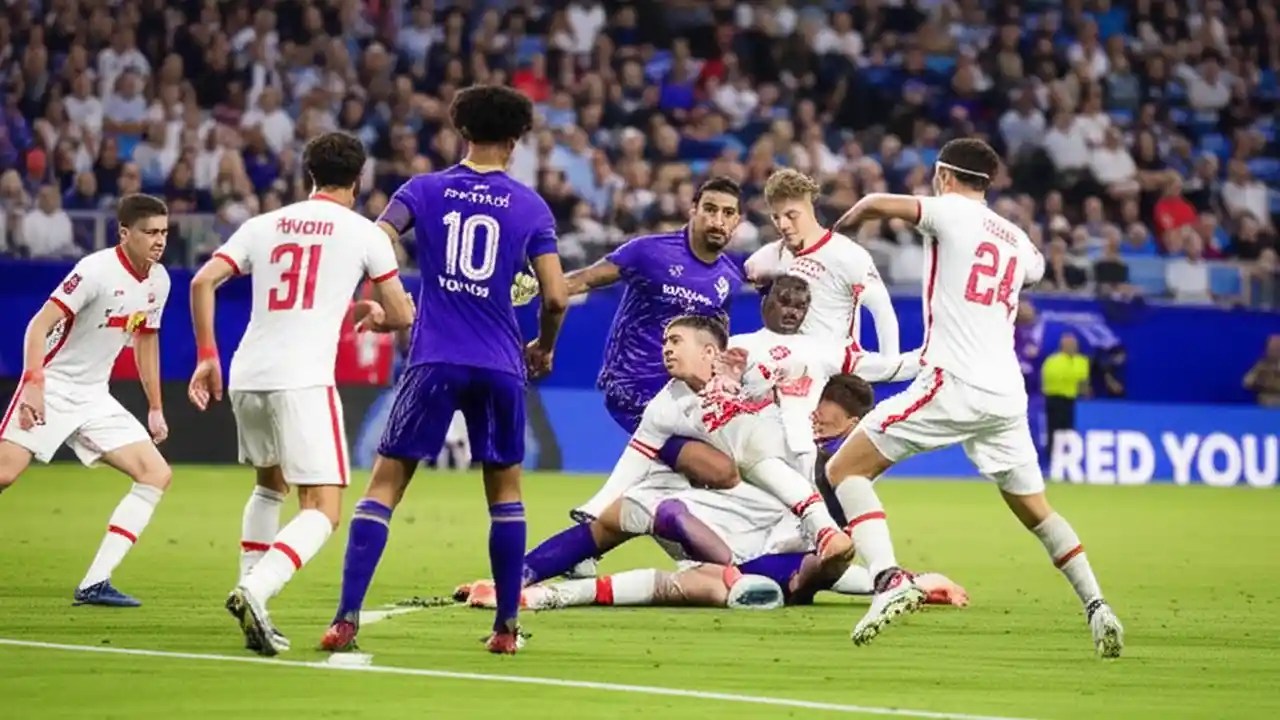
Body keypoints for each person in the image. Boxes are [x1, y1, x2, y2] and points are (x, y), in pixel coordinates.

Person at [826, 138, 1124, 657]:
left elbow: (874, 203)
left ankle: (889, 579)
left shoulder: (946, 212)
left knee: (843, 471)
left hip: (953, 383)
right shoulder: (1016, 238)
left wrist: (832, 238)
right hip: (1007, 395)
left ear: (944, 174)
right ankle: (1098, 605)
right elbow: (1030, 268)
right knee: (1037, 510)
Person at [320, 85, 570, 656]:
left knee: (384, 488)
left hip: (433, 356)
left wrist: (388, 304)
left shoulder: (422, 190)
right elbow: (555, 296)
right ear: (515, 139)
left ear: (463, 132)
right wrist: (545, 347)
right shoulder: (531, 206)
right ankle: (506, 629)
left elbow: (374, 239)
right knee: (505, 494)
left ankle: (345, 619)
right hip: (500, 361)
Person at [462, 376, 969, 612]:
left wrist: (915, 582)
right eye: (814, 415)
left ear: (851, 426)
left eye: (827, 423)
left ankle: (540, 595)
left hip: (766, 560)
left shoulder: (839, 472)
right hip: (725, 529)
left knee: (716, 577)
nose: (815, 426)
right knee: (631, 516)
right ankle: (517, 578)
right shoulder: (765, 422)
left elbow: (830, 565)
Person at [188, 131, 415, 656]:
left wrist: (206, 356)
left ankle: (252, 594)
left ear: (307, 174)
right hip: (303, 378)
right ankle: (255, 589)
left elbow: (202, 281)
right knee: (323, 509)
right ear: (359, 181)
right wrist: (379, 317)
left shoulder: (262, 224)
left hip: (248, 371)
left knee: (270, 487)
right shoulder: (364, 234)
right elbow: (402, 313)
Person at [507, 315, 856, 591]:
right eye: (665, 342)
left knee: (819, 568)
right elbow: (636, 456)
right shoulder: (666, 405)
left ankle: (865, 562)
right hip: (734, 504)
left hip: (786, 499)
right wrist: (595, 505)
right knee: (780, 577)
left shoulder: (747, 365)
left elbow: (795, 366)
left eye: (675, 341)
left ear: (708, 353)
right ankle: (516, 579)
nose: (667, 349)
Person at [516, 176, 748, 578]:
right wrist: (544, 294)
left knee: (674, 483)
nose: (718, 220)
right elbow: (585, 279)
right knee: (717, 471)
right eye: (710, 209)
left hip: (684, 399)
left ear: (738, 221)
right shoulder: (649, 252)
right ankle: (704, 553)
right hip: (633, 389)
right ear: (693, 209)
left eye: (728, 213)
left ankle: (578, 549)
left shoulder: (729, 277)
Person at [0, 194, 173, 607]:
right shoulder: (94, 271)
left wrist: (155, 406)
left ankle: (95, 583)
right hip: (53, 385)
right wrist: (35, 383)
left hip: (95, 396)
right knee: (4, 475)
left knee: (156, 473)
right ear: (125, 233)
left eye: (164, 232)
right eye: (150, 232)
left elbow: (146, 341)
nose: (159, 240)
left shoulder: (159, 281)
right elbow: (38, 327)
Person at [744, 168, 900, 353]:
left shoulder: (847, 254)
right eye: (776, 217)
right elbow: (750, 269)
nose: (783, 225)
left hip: (833, 372)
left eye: (792, 215)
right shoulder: (771, 255)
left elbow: (883, 313)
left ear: (811, 210)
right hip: (788, 371)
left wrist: (889, 363)